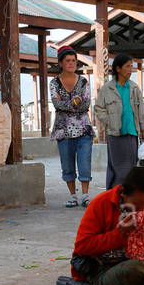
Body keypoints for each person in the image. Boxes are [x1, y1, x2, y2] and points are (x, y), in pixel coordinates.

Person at [93, 53, 144, 189]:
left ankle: (127, 194)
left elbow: (141, 111)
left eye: (132, 66)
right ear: (118, 69)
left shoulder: (134, 88)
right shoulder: (107, 88)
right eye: (127, 66)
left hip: (132, 133)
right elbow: (99, 108)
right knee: (116, 166)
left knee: (130, 166)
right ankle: (114, 194)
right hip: (115, 134)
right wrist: (109, 121)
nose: (130, 70)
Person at [50, 46, 94, 207]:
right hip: (63, 131)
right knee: (67, 165)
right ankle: (73, 196)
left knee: (85, 162)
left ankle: (85, 195)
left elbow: (86, 104)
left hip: (84, 130)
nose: (71, 63)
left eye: (73, 60)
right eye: (67, 60)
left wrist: (66, 103)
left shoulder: (83, 81)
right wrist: (75, 101)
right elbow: (56, 103)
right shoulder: (54, 82)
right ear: (61, 63)